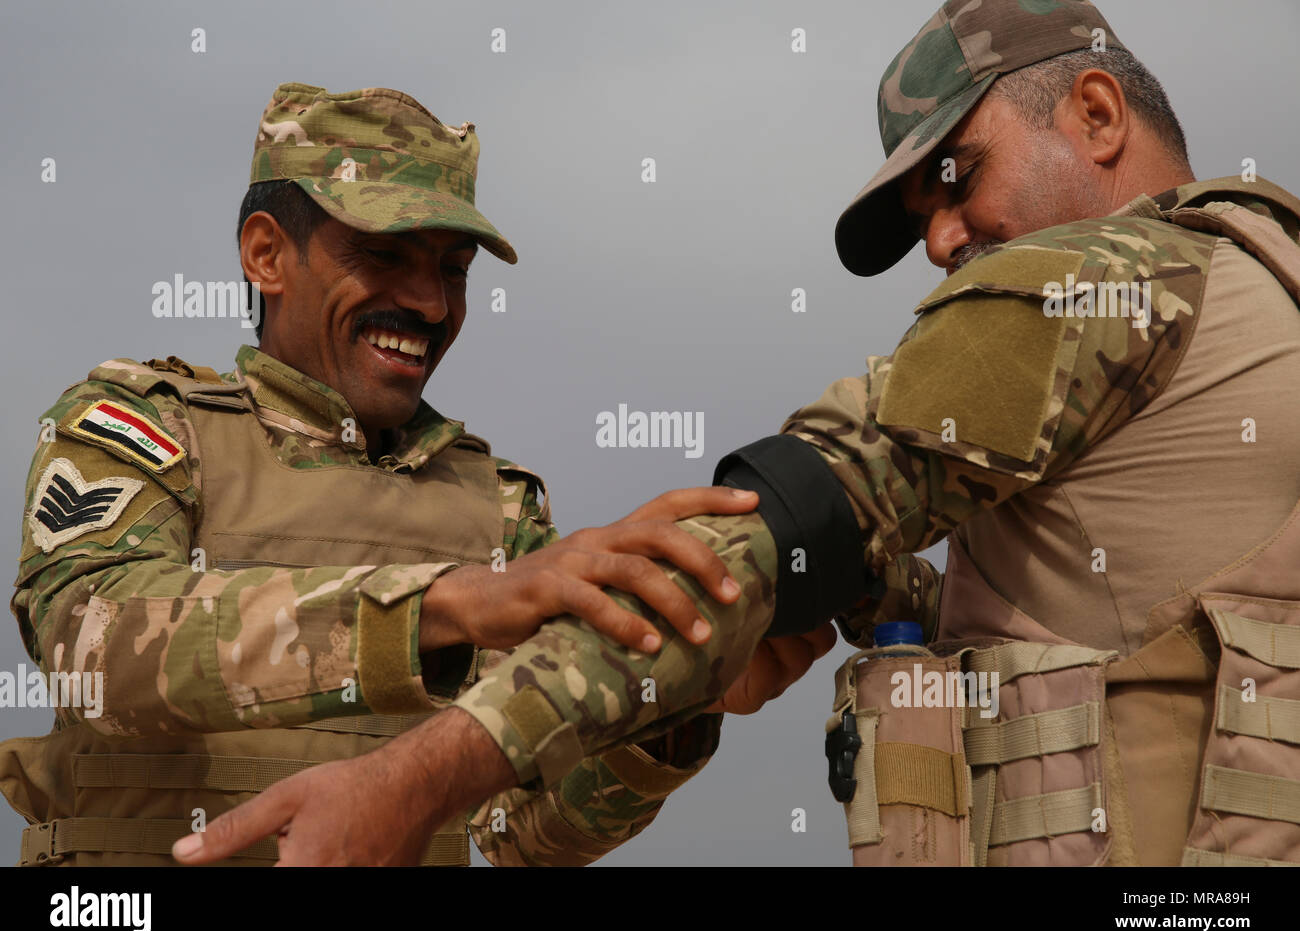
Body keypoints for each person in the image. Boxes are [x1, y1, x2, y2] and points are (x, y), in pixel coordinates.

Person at [185, 0, 1300, 867]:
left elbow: (776, 524)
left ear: (1097, 116)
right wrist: (863, 595)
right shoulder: (1267, 284)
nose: (943, 240)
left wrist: (409, 783)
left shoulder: (1097, 283)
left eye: (957, 177)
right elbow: (1141, 601)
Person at [1, 81, 833, 867]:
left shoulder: (497, 511)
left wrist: (675, 706)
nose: (431, 305)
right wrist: (443, 604)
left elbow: (519, 836)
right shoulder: (144, 428)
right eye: (384, 256)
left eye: (452, 270)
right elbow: (92, 646)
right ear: (267, 254)